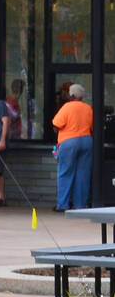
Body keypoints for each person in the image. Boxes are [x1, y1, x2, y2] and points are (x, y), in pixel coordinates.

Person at [52, 84, 93, 212]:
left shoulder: (67, 107)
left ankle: (62, 205)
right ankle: (80, 205)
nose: (68, 95)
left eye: (69, 93)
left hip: (69, 142)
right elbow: (93, 127)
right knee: (83, 174)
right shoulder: (88, 108)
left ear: (73, 95)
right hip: (87, 141)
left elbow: (56, 124)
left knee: (65, 173)